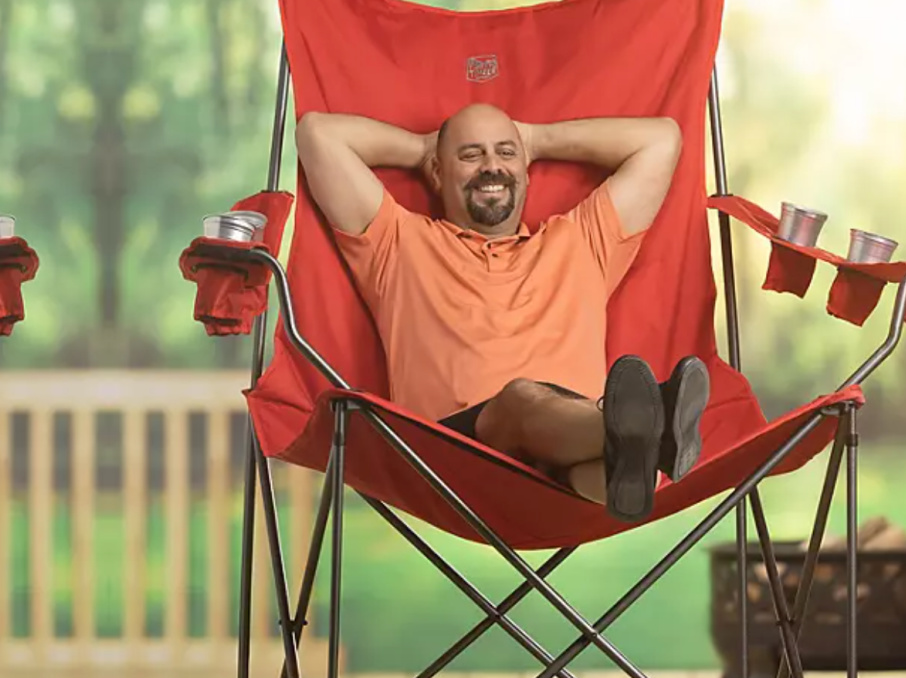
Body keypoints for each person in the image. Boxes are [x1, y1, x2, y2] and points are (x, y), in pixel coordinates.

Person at [295, 103, 710, 522]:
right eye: (471, 155)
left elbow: (662, 140)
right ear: (438, 173)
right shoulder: (397, 243)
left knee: (600, 470)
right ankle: (647, 427)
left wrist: (535, 140)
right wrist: (426, 149)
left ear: (527, 170)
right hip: (449, 460)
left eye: (507, 153)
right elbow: (318, 135)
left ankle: (631, 448)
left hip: (566, 463)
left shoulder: (583, 239)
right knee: (519, 399)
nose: (492, 167)